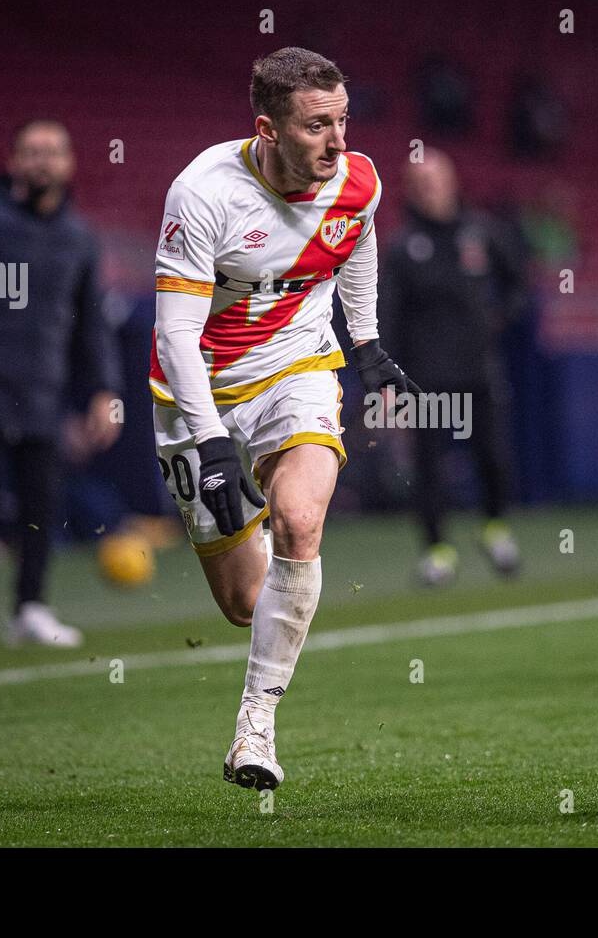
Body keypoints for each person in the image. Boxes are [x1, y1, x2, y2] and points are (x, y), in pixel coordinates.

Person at [149, 47, 418, 791]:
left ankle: (255, 730)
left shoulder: (356, 179)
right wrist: (208, 439)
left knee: (300, 520)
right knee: (242, 603)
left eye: (342, 120)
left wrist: (363, 342)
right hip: (196, 387)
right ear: (266, 127)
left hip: (298, 368)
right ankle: (286, 588)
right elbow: (174, 334)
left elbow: (357, 240)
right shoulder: (203, 192)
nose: (338, 142)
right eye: (315, 126)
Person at [0, 119, 122, 650]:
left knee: (42, 504)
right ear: (12, 160)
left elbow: (92, 324)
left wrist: (105, 390)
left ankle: (30, 608)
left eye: (52, 152)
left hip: (43, 393)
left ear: (68, 163)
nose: (41, 161)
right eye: (31, 152)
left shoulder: (80, 239)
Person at [380, 149, 528, 585]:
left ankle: (495, 529)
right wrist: (389, 379)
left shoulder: (481, 232)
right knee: (429, 466)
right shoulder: (404, 247)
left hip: (478, 370)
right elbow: (387, 314)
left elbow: (518, 280)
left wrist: (501, 316)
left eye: (435, 180)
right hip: (425, 379)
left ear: (452, 182)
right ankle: (438, 552)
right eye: (420, 182)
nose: (429, 189)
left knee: (493, 456)